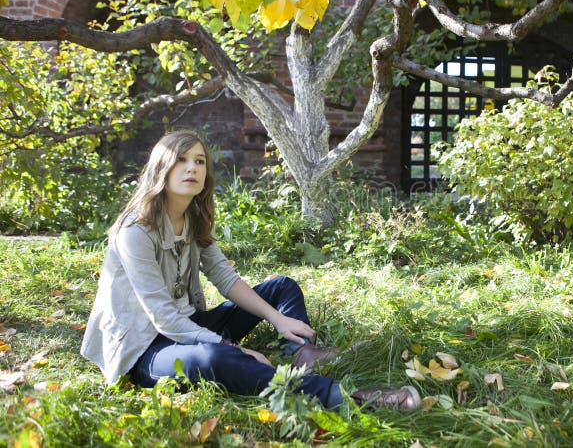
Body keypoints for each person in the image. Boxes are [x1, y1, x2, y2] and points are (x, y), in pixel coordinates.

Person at [80, 131, 419, 410]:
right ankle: (343, 398)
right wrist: (232, 347)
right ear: (161, 168)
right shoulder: (135, 231)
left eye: (199, 161)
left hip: (188, 325)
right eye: (181, 160)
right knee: (213, 359)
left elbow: (225, 279)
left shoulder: (194, 218)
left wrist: (278, 319)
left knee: (281, 287)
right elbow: (162, 318)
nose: (192, 168)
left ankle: (302, 354)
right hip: (145, 348)